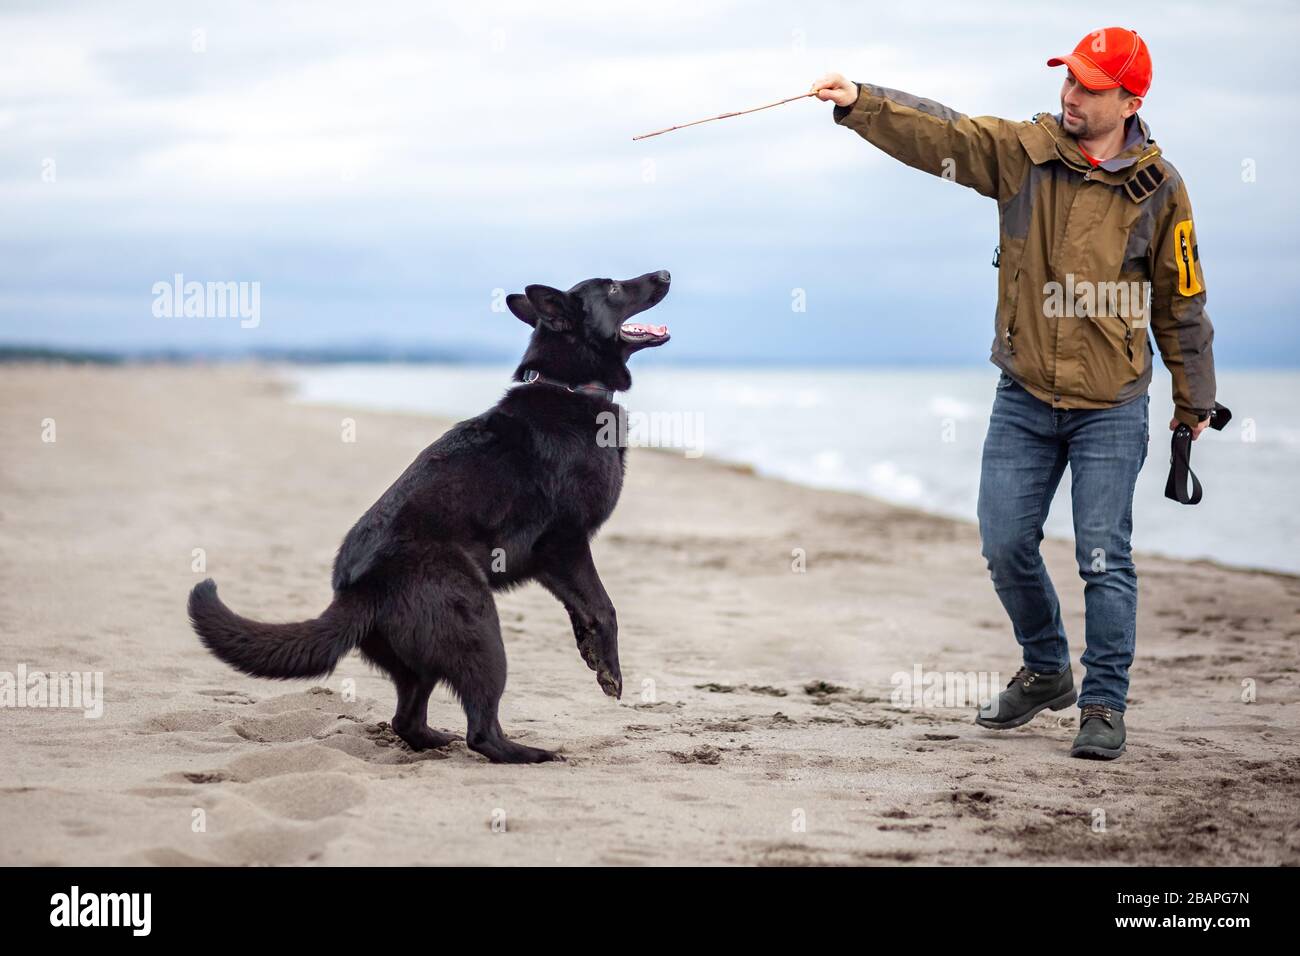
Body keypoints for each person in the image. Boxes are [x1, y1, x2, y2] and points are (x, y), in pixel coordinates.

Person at [811, 27, 1218, 759]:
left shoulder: (1161, 190)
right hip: (1025, 394)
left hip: (1112, 404)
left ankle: (1102, 705)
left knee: (1103, 556)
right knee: (1004, 545)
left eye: (1089, 87)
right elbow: (946, 132)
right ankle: (1044, 669)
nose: (1069, 95)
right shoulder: (1022, 155)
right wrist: (863, 102)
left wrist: (1194, 406)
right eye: (1068, 80)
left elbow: (1180, 303)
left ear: (1129, 100)